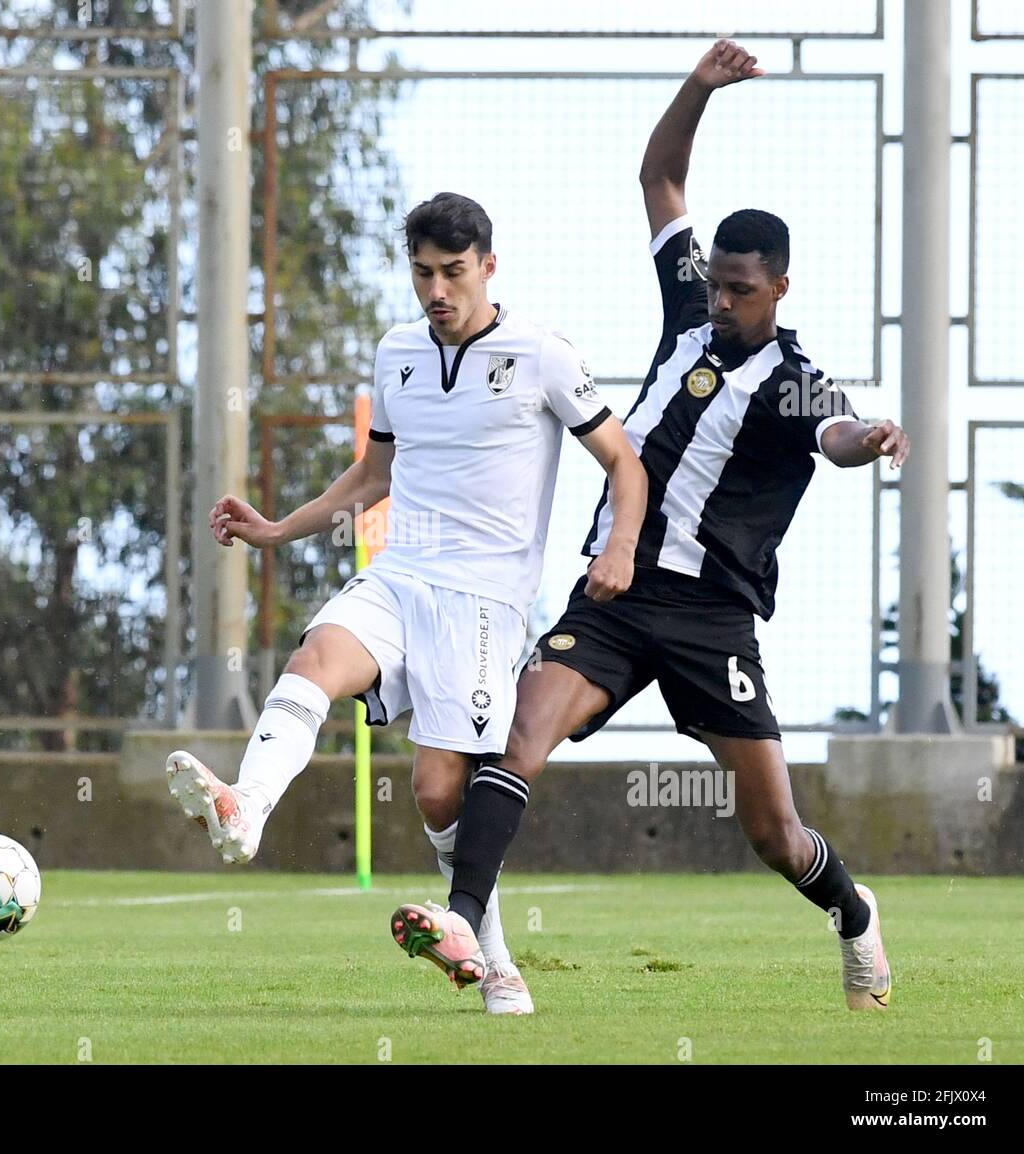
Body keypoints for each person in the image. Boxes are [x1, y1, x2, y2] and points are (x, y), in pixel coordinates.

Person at [393, 42, 909, 1013]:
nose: (719, 299)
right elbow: (660, 175)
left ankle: (850, 911)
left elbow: (835, 435)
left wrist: (871, 435)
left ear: (779, 290)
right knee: (519, 733)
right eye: (713, 282)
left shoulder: (795, 383)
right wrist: (699, 88)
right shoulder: (687, 313)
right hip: (615, 588)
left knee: (775, 834)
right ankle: (466, 920)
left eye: (739, 290)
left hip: (712, 620)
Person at [167, 192, 646, 1014]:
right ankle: (247, 806)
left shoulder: (543, 355)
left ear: (488, 267)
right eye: (423, 273)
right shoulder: (396, 353)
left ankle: (493, 958)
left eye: (454, 273)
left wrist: (622, 547)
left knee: (434, 791)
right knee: (314, 659)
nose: (437, 291)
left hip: (485, 600)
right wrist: (277, 530)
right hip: (401, 571)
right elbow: (373, 474)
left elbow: (625, 465)